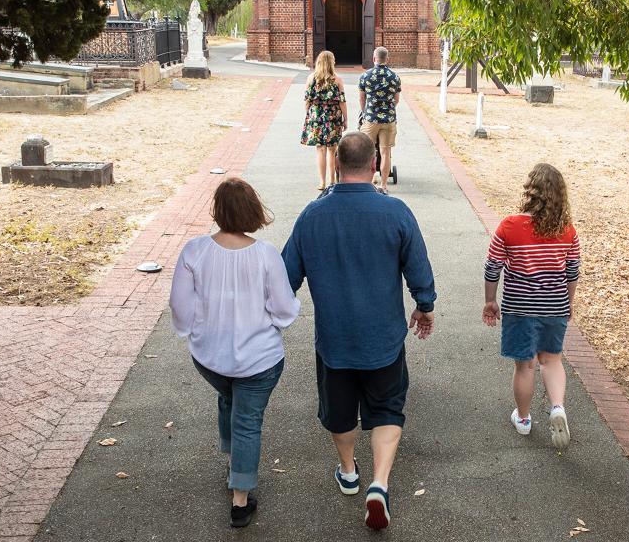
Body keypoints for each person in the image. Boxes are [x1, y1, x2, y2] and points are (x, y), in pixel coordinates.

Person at [282, 132, 436, 531]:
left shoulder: (312, 216)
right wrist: (424, 304)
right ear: (375, 165)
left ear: (336, 164)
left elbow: (285, 279)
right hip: (383, 338)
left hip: (334, 339)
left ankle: (349, 471)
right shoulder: (396, 212)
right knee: (387, 408)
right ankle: (379, 483)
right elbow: (418, 266)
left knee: (339, 411)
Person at [169, 177, 301, 528]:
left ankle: (232, 457)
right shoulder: (266, 255)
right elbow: (284, 308)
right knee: (248, 420)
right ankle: (240, 500)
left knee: (229, 395)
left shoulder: (194, 251)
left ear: (218, 210)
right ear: (253, 211)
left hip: (210, 357)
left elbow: (180, 306)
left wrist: (193, 330)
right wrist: (278, 320)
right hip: (259, 358)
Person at [481, 163, 581, 449]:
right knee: (552, 360)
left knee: (525, 366)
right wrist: (568, 303)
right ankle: (557, 407)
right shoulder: (567, 231)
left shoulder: (509, 226)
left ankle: (523, 419)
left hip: (520, 308)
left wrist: (490, 300)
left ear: (530, 191)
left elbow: (492, 267)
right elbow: (572, 272)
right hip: (555, 305)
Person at [302, 50, 347, 190]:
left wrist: (309, 115)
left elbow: (307, 100)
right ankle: (332, 181)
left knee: (320, 149)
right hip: (333, 117)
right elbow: (342, 102)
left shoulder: (311, 79)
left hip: (316, 117)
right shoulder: (337, 80)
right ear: (331, 63)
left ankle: (322, 182)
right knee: (332, 150)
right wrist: (345, 119)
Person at [358, 46, 401, 193]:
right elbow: (396, 99)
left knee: (368, 152)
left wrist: (365, 112)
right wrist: (388, 110)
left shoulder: (365, 76)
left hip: (371, 118)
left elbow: (362, 98)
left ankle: (369, 183)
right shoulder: (394, 77)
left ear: (374, 58)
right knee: (385, 152)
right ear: (387, 59)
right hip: (388, 119)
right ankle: (383, 185)